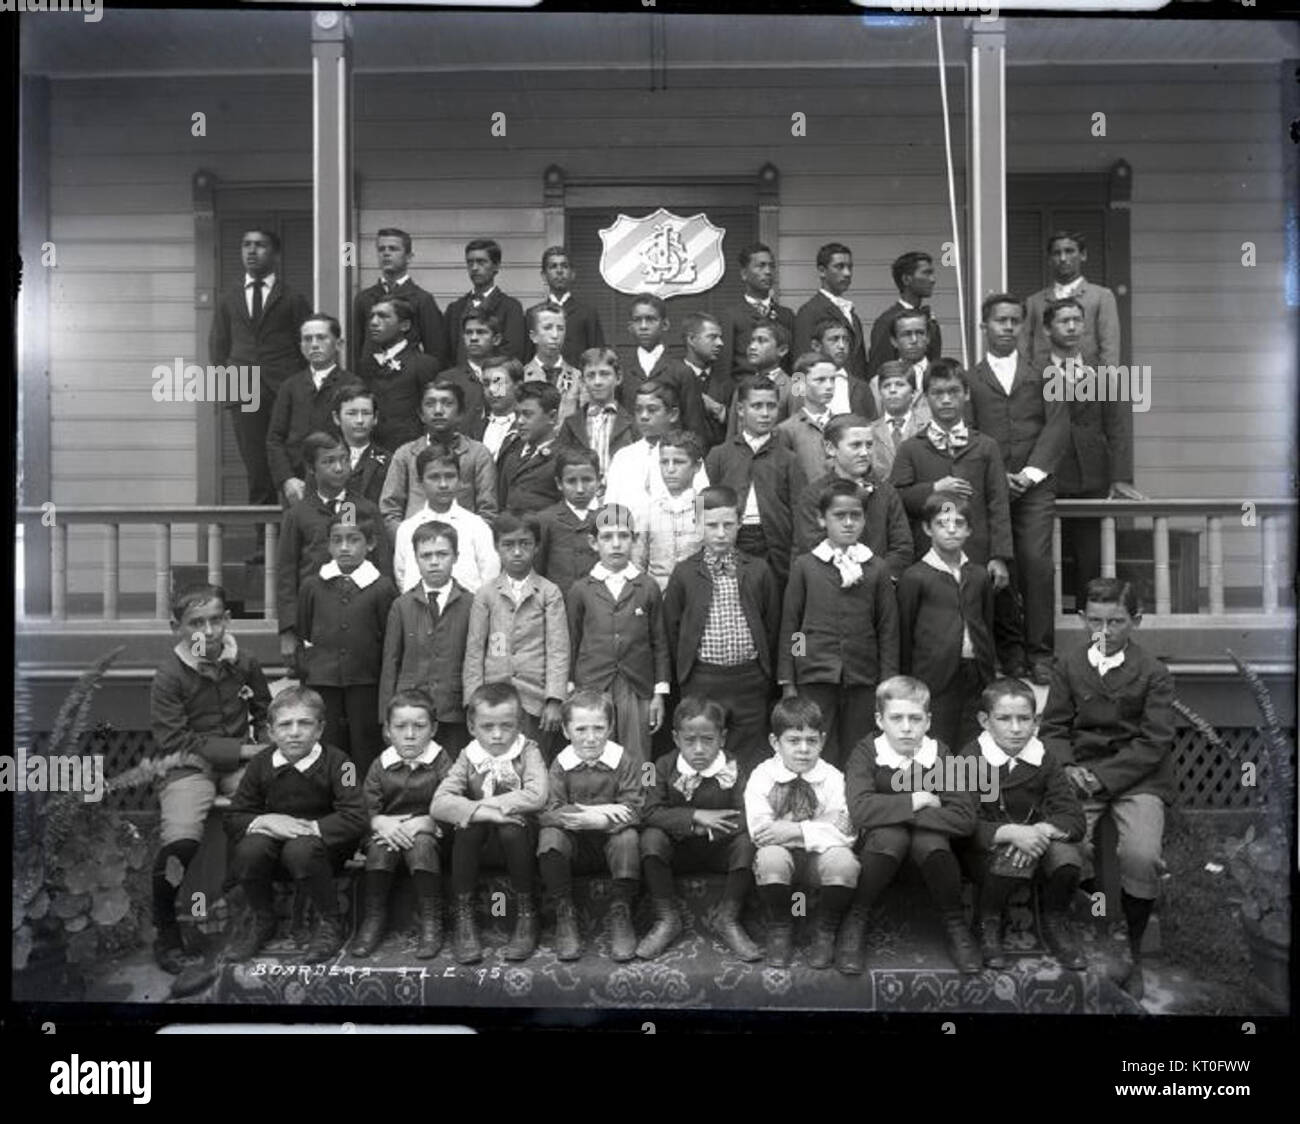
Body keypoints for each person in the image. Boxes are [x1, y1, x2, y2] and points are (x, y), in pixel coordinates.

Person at [1037, 578, 1174, 1000]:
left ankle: (1131, 949)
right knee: (1070, 847)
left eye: (1115, 621)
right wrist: (1070, 766)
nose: (1104, 631)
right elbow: (1054, 727)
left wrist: (1106, 777)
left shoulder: (1153, 672)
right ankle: (1097, 930)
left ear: (1136, 621)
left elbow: (1154, 741)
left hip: (1137, 778)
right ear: (1081, 620)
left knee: (1141, 854)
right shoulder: (1069, 665)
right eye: (1095, 621)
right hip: (1081, 773)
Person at [149, 584, 271, 974]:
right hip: (188, 765)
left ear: (227, 621)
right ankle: (167, 929)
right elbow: (175, 739)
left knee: (265, 815)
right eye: (196, 623)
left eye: (216, 620)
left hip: (239, 766)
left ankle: (252, 911)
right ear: (177, 627)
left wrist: (268, 746)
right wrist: (242, 751)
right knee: (182, 838)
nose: (208, 631)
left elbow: (264, 712)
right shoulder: (169, 674)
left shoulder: (245, 662)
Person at [839, 676, 980, 975]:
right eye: (896, 718)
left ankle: (955, 922)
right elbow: (860, 810)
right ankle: (857, 916)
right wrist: (916, 800)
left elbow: (964, 816)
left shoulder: (938, 753)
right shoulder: (868, 752)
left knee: (929, 840)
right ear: (880, 720)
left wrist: (895, 811)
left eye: (915, 718)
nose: (906, 727)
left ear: (928, 721)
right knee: (891, 836)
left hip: (926, 859)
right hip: (880, 855)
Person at [223, 685, 366, 963]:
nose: (295, 731)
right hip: (275, 851)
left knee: (299, 849)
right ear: (271, 731)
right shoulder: (260, 764)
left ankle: (330, 923)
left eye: (305, 723)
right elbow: (234, 817)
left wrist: (310, 829)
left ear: (320, 729)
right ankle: (263, 918)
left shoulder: (341, 764)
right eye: (285, 724)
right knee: (250, 849)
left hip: (324, 852)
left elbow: (356, 814)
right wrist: (268, 820)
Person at [967, 294, 1069, 683]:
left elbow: (1058, 428)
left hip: (1035, 488)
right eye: (999, 321)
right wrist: (994, 477)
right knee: (998, 564)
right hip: (991, 487)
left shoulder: (1046, 374)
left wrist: (1029, 474)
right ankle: (1008, 654)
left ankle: (1040, 653)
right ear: (985, 327)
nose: (1007, 327)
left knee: (1036, 564)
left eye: (1014, 321)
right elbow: (971, 431)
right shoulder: (970, 379)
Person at [958, 677, 1087, 971]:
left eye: (1024, 719)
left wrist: (1041, 830)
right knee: (1009, 859)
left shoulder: (1045, 758)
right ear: (984, 721)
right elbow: (962, 823)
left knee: (1067, 856)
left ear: (1036, 721)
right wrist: (1010, 833)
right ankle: (988, 919)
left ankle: (1055, 918)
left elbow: (1073, 817)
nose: (1016, 728)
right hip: (985, 849)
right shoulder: (970, 759)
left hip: (1036, 844)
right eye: (1004, 719)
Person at [779, 478, 899, 768]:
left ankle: (857, 803)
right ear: (822, 519)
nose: (848, 523)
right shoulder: (806, 566)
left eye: (855, 516)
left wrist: (886, 679)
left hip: (862, 676)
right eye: (839, 516)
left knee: (860, 745)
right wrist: (791, 676)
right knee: (819, 742)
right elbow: (795, 628)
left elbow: (887, 629)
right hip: (815, 674)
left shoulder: (876, 568)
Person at [636, 696, 762, 961]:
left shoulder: (739, 767)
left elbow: (749, 814)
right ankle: (667, 917)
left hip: (721, 851)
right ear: (675, 738)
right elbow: (648, 811)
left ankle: (728, 918)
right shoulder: (657, 767)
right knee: (650, 839)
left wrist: (714, 829)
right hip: (678, 852)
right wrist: (696, 818)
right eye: (689, 740)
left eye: (708, 740)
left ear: (723, 737)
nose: (699, 750)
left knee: (749, 840)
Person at [431, 682, 549, 963]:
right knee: (468, 827)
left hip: (519, 843)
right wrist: (483, 813)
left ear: (520, 724)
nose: (497, 735)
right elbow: (439, 802)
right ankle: (464, 916)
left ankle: (526, 913)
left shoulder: (528, 751)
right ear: (472, 727)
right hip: (480, 846)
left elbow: (537, 795)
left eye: (506, 726)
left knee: (510, 827)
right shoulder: (468, 756)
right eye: (487, 727)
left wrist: (483, 806)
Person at [663, 486, 780, 769]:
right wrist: (683, 676)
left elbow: (774, 625)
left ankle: (745, 809)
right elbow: (672, 630)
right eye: (711, 525)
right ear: (697, 524)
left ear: (739, 524)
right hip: (703, 679)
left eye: (728, 525)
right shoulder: (684, 573)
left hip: (749, 680)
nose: (720, 533)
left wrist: (769, 674)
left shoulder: (758, 570)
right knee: (705, 745)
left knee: (751, 752)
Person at [1036, 296, 1139, 610]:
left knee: (1090, 559)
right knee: (1041, 559)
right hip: (1046, 477)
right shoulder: (1033, 373)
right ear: (1046, 329)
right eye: (1063, 320)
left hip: (1090, 477)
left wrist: (1120, 478)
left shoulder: (1103, 373)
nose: (1071, 327)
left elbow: (1117, 428)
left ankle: (1089, 627)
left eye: (1077, 320)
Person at [744, 695, 860, 969]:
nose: (804, 750)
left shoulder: (832, 778)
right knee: (770, 857)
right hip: (783, 861)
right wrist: (820, 828)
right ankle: (781, 925)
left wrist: (793, 830)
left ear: (822, 739)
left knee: (844, 861)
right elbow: (761, 832)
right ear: (775, 742)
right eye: (794, 741)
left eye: (812, 740)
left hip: (820, 862)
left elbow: (846, 833)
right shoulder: (762, 776)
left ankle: (825, 930)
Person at [537, 690, 644, 962]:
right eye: (581, 728)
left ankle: (621, 910)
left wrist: (603, 820)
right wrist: (595, 812)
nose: (590, 737)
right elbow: (549, 812)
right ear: (565, 729)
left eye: (598, 728)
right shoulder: (560, 764)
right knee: (550, 837)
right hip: (575, 849)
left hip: (611, 847)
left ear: (610, 728)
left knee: (628, 837)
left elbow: (637, 808)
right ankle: (564, 911)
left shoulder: (625, 760)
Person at [889, 361, 1014, 592]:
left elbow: (999, 504)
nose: (946, 400)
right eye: (937, 393)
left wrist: (1000, 557)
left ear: (966, 394)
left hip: (978, 555)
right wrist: (933, 488)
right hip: (927, 556)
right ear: (925, 397)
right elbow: (896, 499)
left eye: (953, 391)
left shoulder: (986, 446)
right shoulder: (910, 448)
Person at [209, 228, 312, 506]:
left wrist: (302, 391)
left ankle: (294, 540)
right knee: (256, 469)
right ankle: (261, 546)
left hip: (285, 392)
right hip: (245, 394)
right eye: (246, 245)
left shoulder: (292, 298)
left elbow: (306, 347)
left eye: (260, 245)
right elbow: (218, 348)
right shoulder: (228, 298)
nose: (252, 251)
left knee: (292, 466)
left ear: (275, 255)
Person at [349, 689, 453, 960]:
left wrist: (430, 821)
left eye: (419, 726)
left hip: (429, 834)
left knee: (421, 846)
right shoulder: (379, 765)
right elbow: (366, 807)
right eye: (400, 727)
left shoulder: (442, 762)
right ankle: (374, 917)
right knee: (380, 847)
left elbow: (452, 801)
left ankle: (431, 920)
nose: (410, 734)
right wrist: (379, 821)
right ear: (387, 731)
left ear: (433, 729)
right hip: (387, 833)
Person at [295, 508, 398, 779]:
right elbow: (305, 633)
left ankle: (363, 799)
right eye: (337, 540)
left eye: (353, 540)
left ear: (370, 544)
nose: (344, 547)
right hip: (323, 681)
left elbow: (387, 638)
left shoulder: (381, 587)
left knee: (364, 744)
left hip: (365, 681)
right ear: (328, 544)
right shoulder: (313, 586)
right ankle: (335, 795)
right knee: (329, 743)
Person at [565, 504, 670, 763]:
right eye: (607, 537)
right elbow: (572, 640)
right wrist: (570, 686)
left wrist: (658, 694)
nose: (616, 544)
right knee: (596, 748)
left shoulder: (647, 586)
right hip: (593, 683)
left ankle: (644, 800)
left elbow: (660, 643)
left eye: (623, 536)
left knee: (639, 752)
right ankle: (599, 801)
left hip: (637, 684)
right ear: (593, 542)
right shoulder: (581, 589)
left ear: (634, 540)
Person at [897, 491, 995, 760]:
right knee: (936, 746)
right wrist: (906, 679)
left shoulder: (979, 576)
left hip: (975, 674)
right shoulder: (915, 577)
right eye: (942, 523)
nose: (951, 530)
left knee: (973, 745)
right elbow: (904, 632)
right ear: (928, 528)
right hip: (935, 678)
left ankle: (969, 800)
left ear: (969, 529)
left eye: (959, 523)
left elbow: (986, 623)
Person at [275, 432, 386, 665]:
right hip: (315, 618)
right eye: (329, 461)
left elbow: (382, 564)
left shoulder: (363, 509)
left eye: (344, 460)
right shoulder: (299, 514)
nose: (339, 468)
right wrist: (287, 630)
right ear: (312, 468)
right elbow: (286, 573)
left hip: (360, 615)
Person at [463, 511, 570, 748]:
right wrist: (473, 700)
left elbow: (558, 650)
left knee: (534, 760)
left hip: (535, 701)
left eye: (525, 544)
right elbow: (475, 650)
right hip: (493, 702)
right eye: (508, 545)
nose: (517, 552)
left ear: (537, 547)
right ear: (496, 547)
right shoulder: (486, 594)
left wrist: (554, 699)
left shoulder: (549, 592)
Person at [378, 521, 474, 757]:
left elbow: (476, 659)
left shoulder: (472, 604)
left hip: (454, 710)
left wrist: (474, 709)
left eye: (442, 554)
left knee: (452, 773)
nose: (434, 562)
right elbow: (391, 663)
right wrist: (385, 717)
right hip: (410, 712)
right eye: (426, 555)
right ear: (416, 558)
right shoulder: (402, 606)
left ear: (456, 556)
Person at [704, 374, 804, 586]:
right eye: (757, 406)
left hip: (776, 548)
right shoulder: (720, 455)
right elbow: (701, 505)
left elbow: (800, 513)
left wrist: (796, 560)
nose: (765, 413)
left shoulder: (789, 459)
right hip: (731, 541)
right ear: (741, 410)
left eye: (771, 406)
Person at [792, 413, 913, 577]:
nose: (865, 453)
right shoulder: (814, 495)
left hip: (880, 588)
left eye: (869, 445)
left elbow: (902, 547)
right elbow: (812, 547)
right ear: (830, 448)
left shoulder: (886, 492)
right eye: (855, 445)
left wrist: (874, 578)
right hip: (831, 589)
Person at [379, 379, 497, 541]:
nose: (438, 410)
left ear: (461, 413)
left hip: (464, 549)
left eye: (447, 404)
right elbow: (389, 509)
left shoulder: (478, 454)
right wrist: (408, 544)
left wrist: (464, 546)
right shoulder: (405, 454)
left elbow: (488, 511)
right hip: (414, 546)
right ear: (421, 414)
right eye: (430, 404)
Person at [604, 380, 709, 536]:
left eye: (652, 410)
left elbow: (700, 506)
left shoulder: (686, 453)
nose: (644, 416)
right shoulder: (623, 457)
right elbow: (611, 508)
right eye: (638, 410)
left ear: (673, 414)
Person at [392, 443, 499, 595]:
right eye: (434, 477)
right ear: (420, 482)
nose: (443, 484)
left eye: (449, 476)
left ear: (460, 480)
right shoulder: (407, 529)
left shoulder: (476, 526)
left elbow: (490, 576)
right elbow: (402, 576)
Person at [266, 314, 350, 506]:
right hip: (298, 488)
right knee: (296, 534)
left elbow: (357, 437)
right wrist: (287, 480)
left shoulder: (351, 385)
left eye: (321, 338)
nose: (314, 344)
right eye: (307, 339)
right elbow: (275, 439)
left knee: (344, 532)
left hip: (341, 486)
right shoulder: (290, 387)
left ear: (338, 344)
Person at [1020, 230, 1120, 371]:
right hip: (1043, 381)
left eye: (1069, 251)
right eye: (1056, 253)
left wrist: (1106, 385)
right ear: (1049, 259)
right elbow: (1024, 349)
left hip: (1087, 381)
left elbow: (1110, 348)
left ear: (1083, 255)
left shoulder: (1101, 296)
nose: (1063, 258)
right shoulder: (1034, 302)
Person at [352, 227, 446, 370]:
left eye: (393, 249)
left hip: (408, 380)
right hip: (370, 379)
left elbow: (435, 351)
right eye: (381, 249)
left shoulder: (422, 299)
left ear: (408, 257)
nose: (386, 253)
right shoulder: (364, 299)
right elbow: (355, 348)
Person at [358, 297, 441, 453]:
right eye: (372, 316)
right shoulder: (367, 364)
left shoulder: (423, 364)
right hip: (374, 453)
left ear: (405, 325)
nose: (374, 322)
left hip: (410, 453)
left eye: (383, 316)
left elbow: (431, 413)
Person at [631, 428, 706, 592]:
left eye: (679, 462)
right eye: (664, 462)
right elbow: (638, 562)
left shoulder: (704, 508)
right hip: (658, 598)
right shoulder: (647, 510)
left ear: (697, 466)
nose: (670, 469)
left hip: (695, 596)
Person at [715, 241, 796, 381]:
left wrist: (797, 396)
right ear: (744, 274)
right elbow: (723, 367)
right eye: (761, 266)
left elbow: (797, 363)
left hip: (782, 394)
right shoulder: (731, 315)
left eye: (772, 266)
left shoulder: (786, 315)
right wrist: (728, 401)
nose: (768, 272)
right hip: (745, 393)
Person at [793, 242, 869, 385]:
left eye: (850, 267)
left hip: (854, 394)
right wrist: (798, 398)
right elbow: (801, 362)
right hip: (824, 396)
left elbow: (860, 363)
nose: (847, 273)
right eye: (839, 267)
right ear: (822, 271)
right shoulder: (810, 311)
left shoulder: (851, 313)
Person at [556, 347, 636, 477]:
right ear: (582, 381)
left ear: (618, 378)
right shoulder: (571, 424)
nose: (597, 382)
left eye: (604, 374)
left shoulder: (632, 423)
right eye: (591, 375)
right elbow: (560, 465)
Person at [444, 238, 526, 362]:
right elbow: (446, 353)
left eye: (481, 262)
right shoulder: (455, 309)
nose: (475, 268)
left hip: (498, 378)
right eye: (470, 262)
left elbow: (513, 353)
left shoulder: (511, 307)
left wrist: (494, 378)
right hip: (459, 378)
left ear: (496, 266)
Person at [534, 446, 601, 598]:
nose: (580, 489)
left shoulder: (608, 518)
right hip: (559, 607)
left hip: (598, 609)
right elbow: (537, 570)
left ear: (599, 480)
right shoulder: (545, 520)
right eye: (571, 481)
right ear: (559, 483)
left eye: (587, 480)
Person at [866, 250, 943, 380]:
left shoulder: (929, 318)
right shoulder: (887, 321)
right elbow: (878, 371)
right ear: (906, 279)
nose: (932, 280)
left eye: (932, 273)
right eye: (926, 273)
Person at [495, 381, 563, 513]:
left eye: (528, 414)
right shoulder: (510, 449)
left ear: (552, 417)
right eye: (517, 414)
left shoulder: (563, 457)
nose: (519, 421)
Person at [773, 351, 838, 483]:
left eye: (832, 379)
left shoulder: (842, 424)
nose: (829, 386)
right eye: (820, 380)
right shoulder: (787, 430)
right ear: (800, 383)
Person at [535, 245, 605, 366]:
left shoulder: (587, 313)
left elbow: (598, 357)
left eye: (564, 266)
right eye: (553, 267)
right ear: (544, 276)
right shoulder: (534, 314)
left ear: (572, 274)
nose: (559, 271)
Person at [868, 360, 931, 485]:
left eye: (899, 384)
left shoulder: (928, 426)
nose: (892, 390)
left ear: (914, 392)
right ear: (879, 393)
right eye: (886, 386)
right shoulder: (868, 431)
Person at [522, 302, 582, 424]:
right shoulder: (519, 376)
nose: (555, 335)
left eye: (560, 329)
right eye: (547, 328)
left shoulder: (578, 377)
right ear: (533, 336)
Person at [332, 383, 390, 508]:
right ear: (336, 418)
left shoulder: (389, 462)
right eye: (351, 413)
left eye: (366, 413)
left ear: (375, 418)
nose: (359, 420)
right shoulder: (323, 459)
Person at [474, 354, 523, 459]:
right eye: (486, 384)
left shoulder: (528, 428)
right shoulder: (473, 428)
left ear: (518, 386)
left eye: (498, 383)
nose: (491, 390)